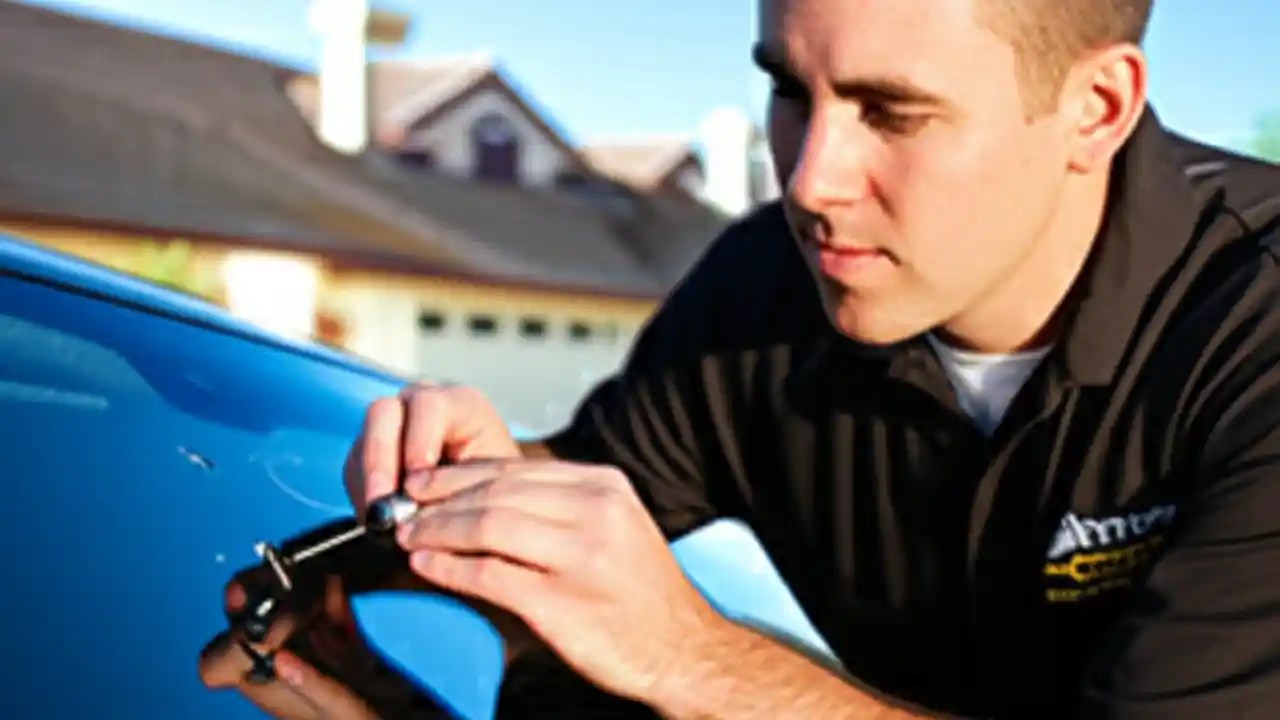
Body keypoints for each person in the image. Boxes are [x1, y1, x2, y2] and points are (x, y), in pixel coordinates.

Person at [200, 0, 1280, 716]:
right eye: (789, 92)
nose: (809, 179)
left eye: (889, 111)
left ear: (1094, 110)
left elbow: (660, 643)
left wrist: (696, 660)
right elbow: (592, 527)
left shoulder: (1252, 334)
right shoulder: (765, 291)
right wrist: (479, 491)